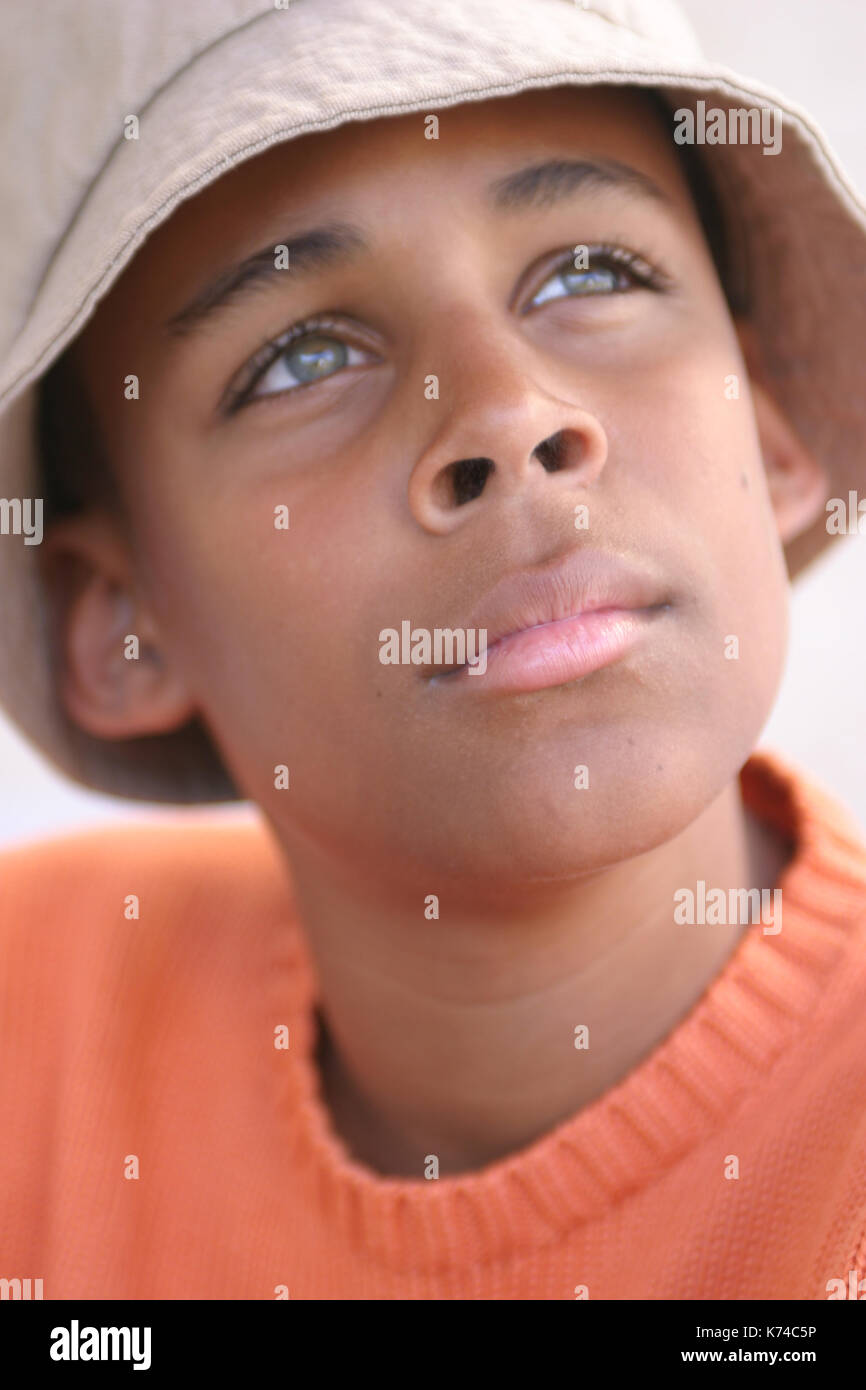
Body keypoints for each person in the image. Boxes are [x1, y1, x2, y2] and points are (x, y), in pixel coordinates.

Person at [1, 0, 865, 1300]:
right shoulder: (32, 1013)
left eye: (590, 275)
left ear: (773, 431)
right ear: (118, 623)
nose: (510, 413)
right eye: (300, 358)